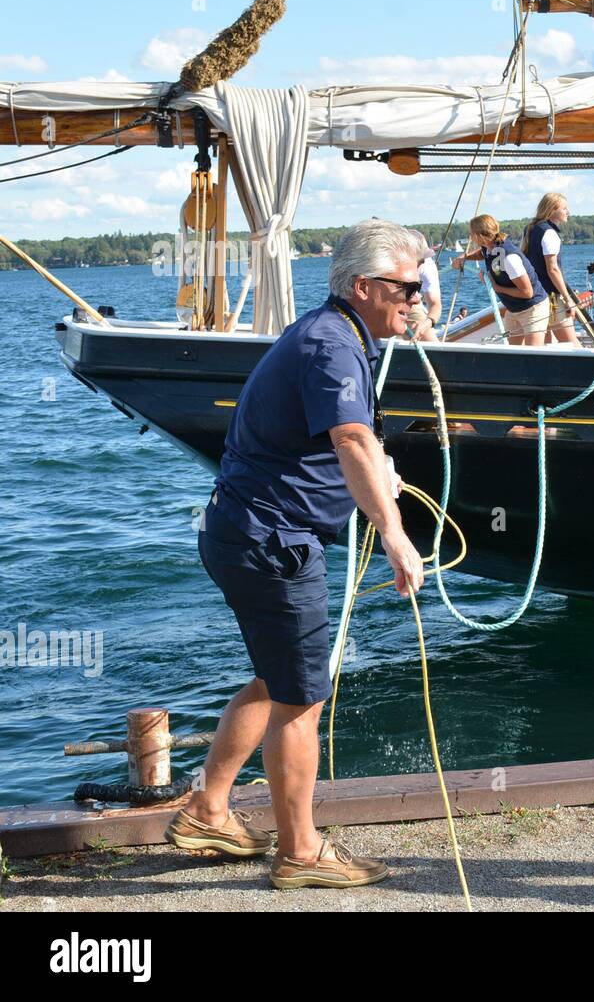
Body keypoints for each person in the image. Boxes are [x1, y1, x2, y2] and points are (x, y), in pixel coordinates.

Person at [168, 219, 426, 889]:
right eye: (408, 286)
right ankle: (300, 854)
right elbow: (349, 440)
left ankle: (208, 808)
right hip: (272, 542)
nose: (418, 298)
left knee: (278, 678)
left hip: (245, 532)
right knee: (303, 698)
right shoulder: (331, 346)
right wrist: (394, 532)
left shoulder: (336, 335)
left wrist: (378, 471)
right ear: (365, 286)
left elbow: (343, 443)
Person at [455, 213, 548, 345]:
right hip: (514, 309)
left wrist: (496, 287)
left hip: (533, 308)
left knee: (533, 354)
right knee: (514, 354)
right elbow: (482, 253)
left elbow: (528, 293)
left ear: (479, 236)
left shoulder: (509, 258)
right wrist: (464, 257)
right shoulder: (490, 247)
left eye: (471, 234)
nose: (470, 237)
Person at [523, 192, 579, 344]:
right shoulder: (549, 233)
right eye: (565, 208)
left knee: (547, 342)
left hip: (536, 296)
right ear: (552, 210)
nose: (569, 212)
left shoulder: (531, 229)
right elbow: (552, 269)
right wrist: (568, 299)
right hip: (550, 297)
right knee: (572, 345)